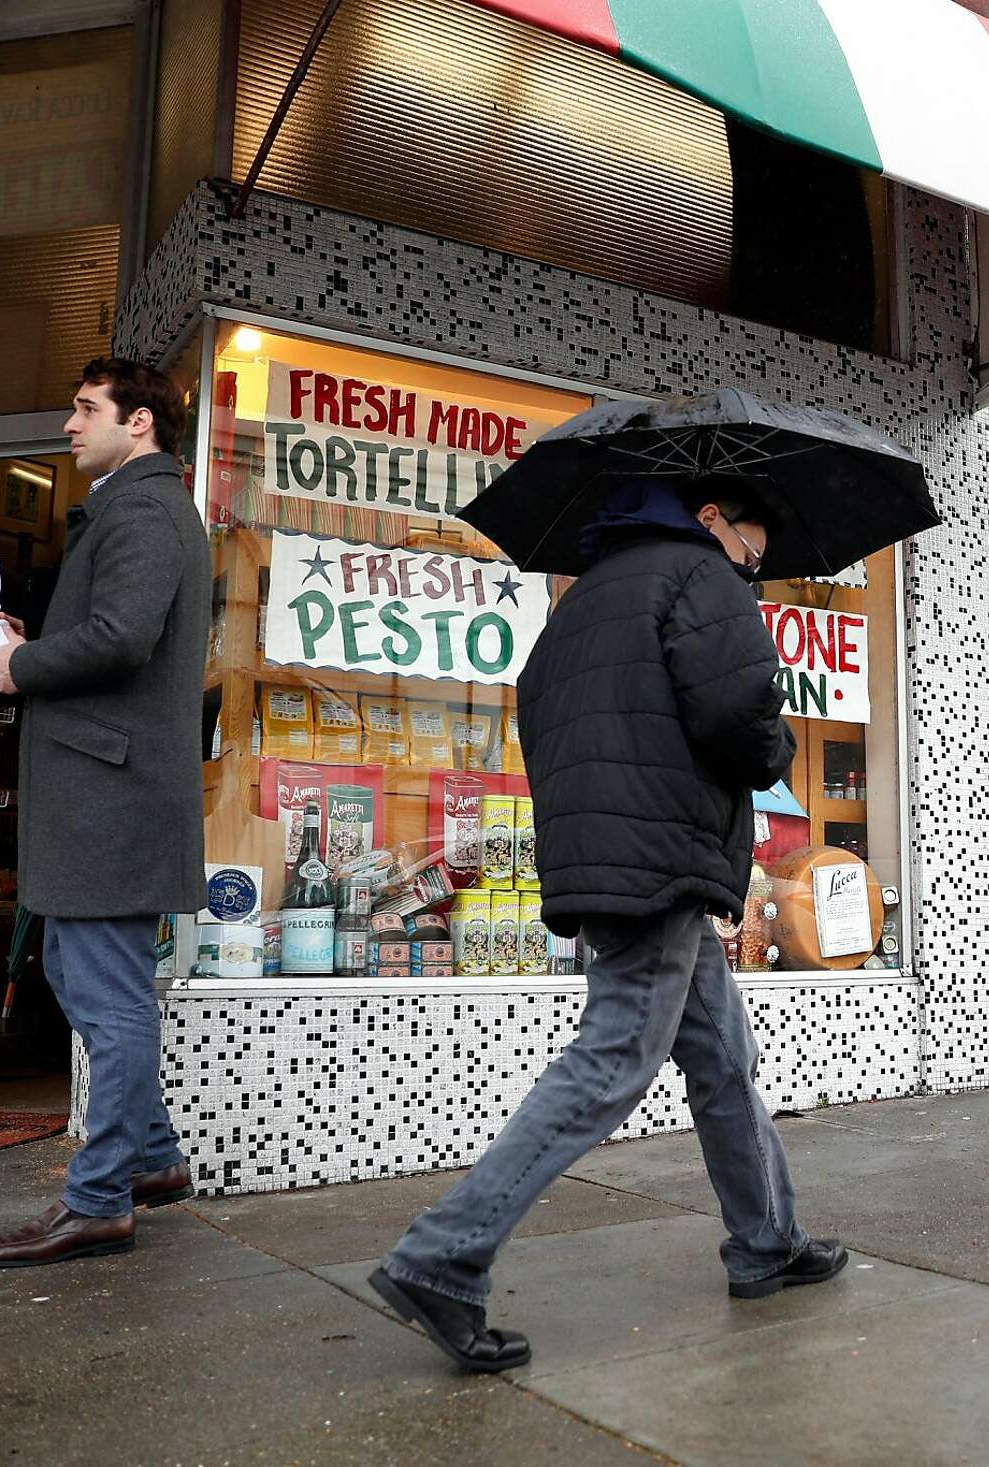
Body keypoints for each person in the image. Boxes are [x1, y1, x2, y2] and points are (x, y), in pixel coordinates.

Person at [371, 476, 845, 1371]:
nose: (756, 565)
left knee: (719, 1056)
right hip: (659, 858)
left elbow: (543, 715)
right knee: (613, 1057)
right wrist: (777, 743)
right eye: (753, 544)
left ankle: (767, 1239)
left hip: (610, 855)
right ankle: (443, 1254)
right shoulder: (703, 580)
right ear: (712, 519)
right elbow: (738, 716)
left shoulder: (584, 601)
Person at [0, 359, 211, 1268]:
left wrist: (21, 667)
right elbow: (110, 636)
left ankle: (99, 1198)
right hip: (103, 798)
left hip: (114, 801)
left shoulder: (143, 507)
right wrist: (31, 645)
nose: (69, 426)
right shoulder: (134, 503)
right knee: (75, 970)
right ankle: (151, 1160)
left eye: (85, 409)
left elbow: (123, 638)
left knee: (109, 1003)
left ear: (138, 422)